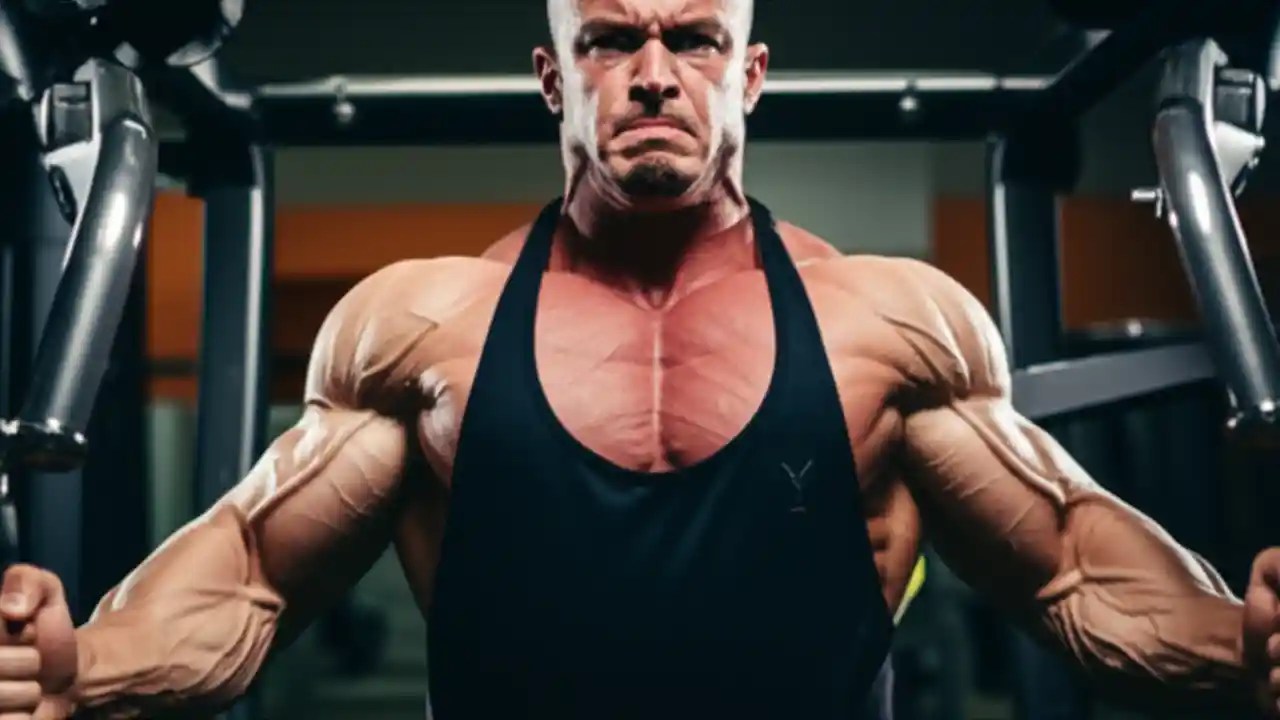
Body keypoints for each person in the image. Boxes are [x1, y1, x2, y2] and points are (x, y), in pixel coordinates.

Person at [2, 0, 1280, 717]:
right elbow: (250, 571)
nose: (652, 76)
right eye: (609, 41)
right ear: (552, 78)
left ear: (750, 75)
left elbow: (1066, 560)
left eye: (694, 40)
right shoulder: (419, 327)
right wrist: (83, 670)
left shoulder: (889, 324)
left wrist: (1242, 641)